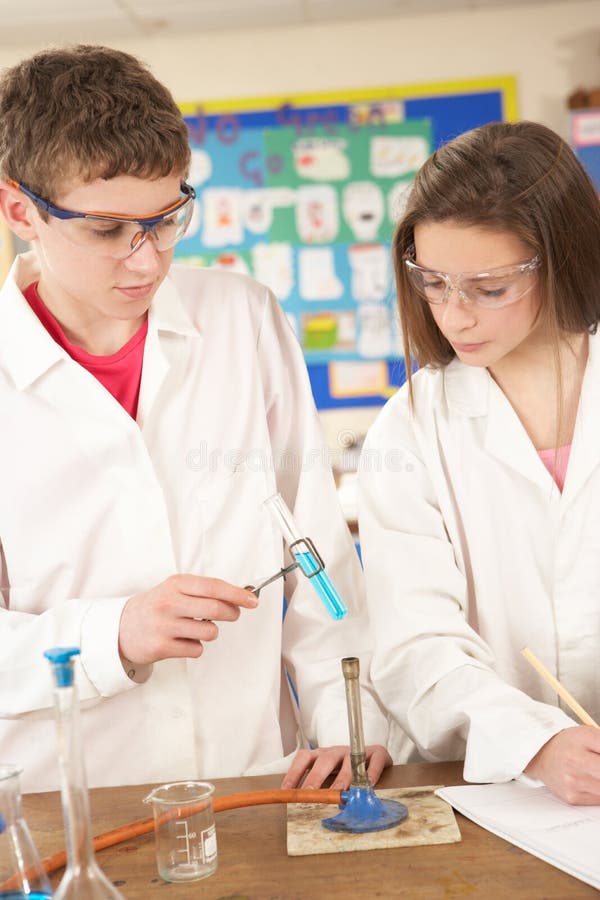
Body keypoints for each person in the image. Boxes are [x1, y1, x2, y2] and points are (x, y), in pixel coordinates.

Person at [0, 45, 390, 792]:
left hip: (259, 783)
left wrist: (350, 723)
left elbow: (318, 558)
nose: (147, 262)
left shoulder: (243, 319)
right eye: (108, 230)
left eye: (168, 218)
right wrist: (112, 635)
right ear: (20, 210)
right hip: (77, 802)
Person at [358, 120, 600, 805]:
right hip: (496, 790)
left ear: (564, 259)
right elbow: (415, 648)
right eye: (433, 283)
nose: (453, 316)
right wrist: (536, 742)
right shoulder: (409, 430)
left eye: (488, 289)